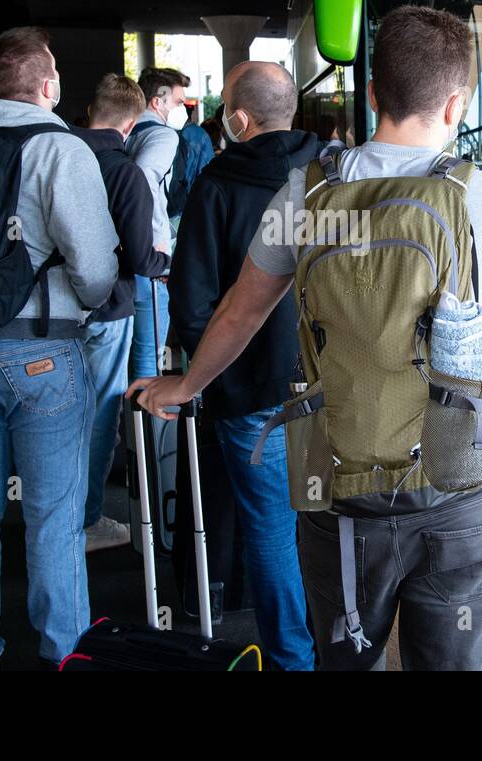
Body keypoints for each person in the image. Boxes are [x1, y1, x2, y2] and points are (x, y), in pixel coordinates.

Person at [131, 5, 482, 671]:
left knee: (346, 661)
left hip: (340, 493)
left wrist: (185, 383)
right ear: (457, 102)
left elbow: (241, 313)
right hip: (460, 494)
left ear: (373, 94)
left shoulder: (304, 195)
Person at [0, 26, 119, 670]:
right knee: (52, 516)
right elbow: (95, 267)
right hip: (40, 353)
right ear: (48, 87)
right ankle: (63, 653)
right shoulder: (58, 150)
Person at [169, 61, 321, 671]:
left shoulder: (218, 184)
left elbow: (195, 299)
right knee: (335, 521)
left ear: (237, 119)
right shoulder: (331, 175)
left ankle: (291, 658)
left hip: (253, 391)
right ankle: (346, 640)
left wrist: (201, 380)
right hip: (336, 384)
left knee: (271, 528)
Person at [72, 74, 171, 551]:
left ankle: (52, 515)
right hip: (108, 310)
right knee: (99, 415)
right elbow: (138, 255)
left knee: (53, 415)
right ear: (131, 123)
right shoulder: (123, 170)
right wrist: (166, 263)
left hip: (49, 314)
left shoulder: (53, 155)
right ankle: (87, 519)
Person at [126, 67, 187, 379]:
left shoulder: (123, 133)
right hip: (149, 263)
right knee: (150, 356)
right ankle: (151, 423)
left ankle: (128, 426)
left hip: (120, 258)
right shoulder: (162, 136)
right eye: (178, 103)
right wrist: (157, 242)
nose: (182, 110)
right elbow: (145, 176)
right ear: (156, 102)